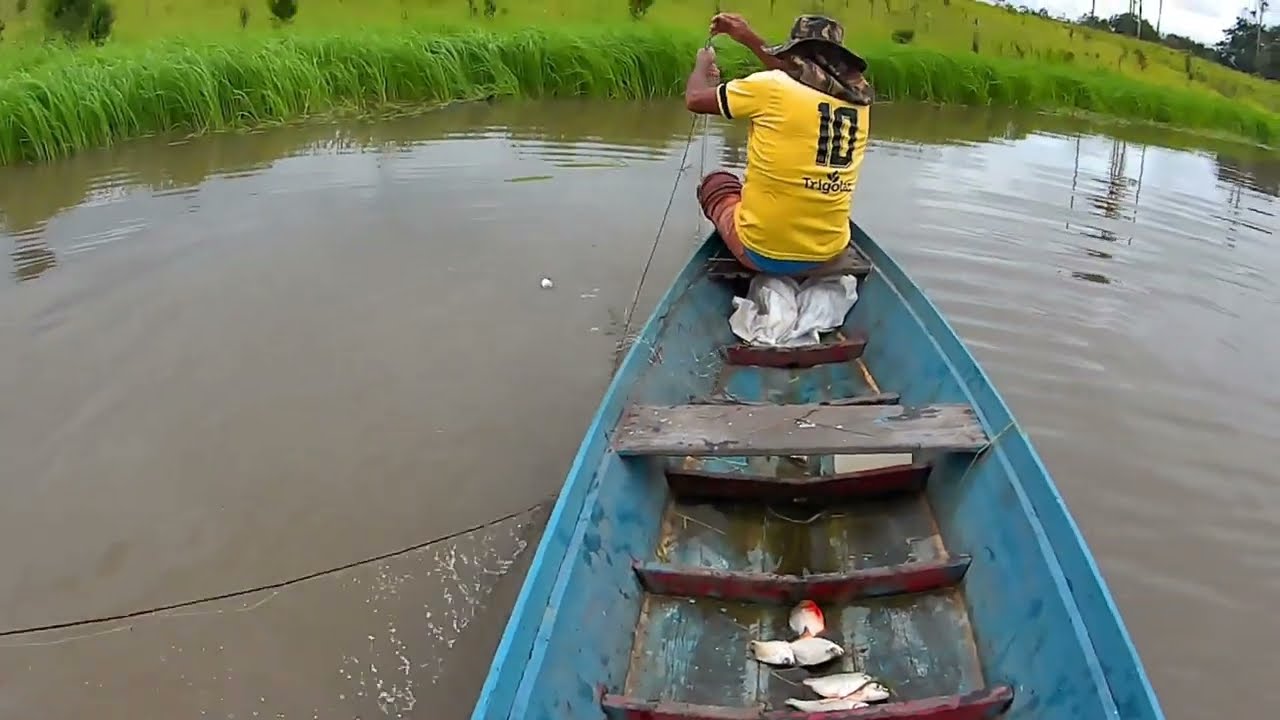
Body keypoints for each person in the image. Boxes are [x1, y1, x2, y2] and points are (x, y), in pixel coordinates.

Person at [684, 13, 874, 275]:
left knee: (717, 183)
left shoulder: (771, 87)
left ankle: (757, 251)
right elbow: (793, 74)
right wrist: (746, 35)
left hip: (763, 253)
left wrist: (701, 66)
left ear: (795, 52)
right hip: (829, 250)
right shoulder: (860, 107)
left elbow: (694, 99)